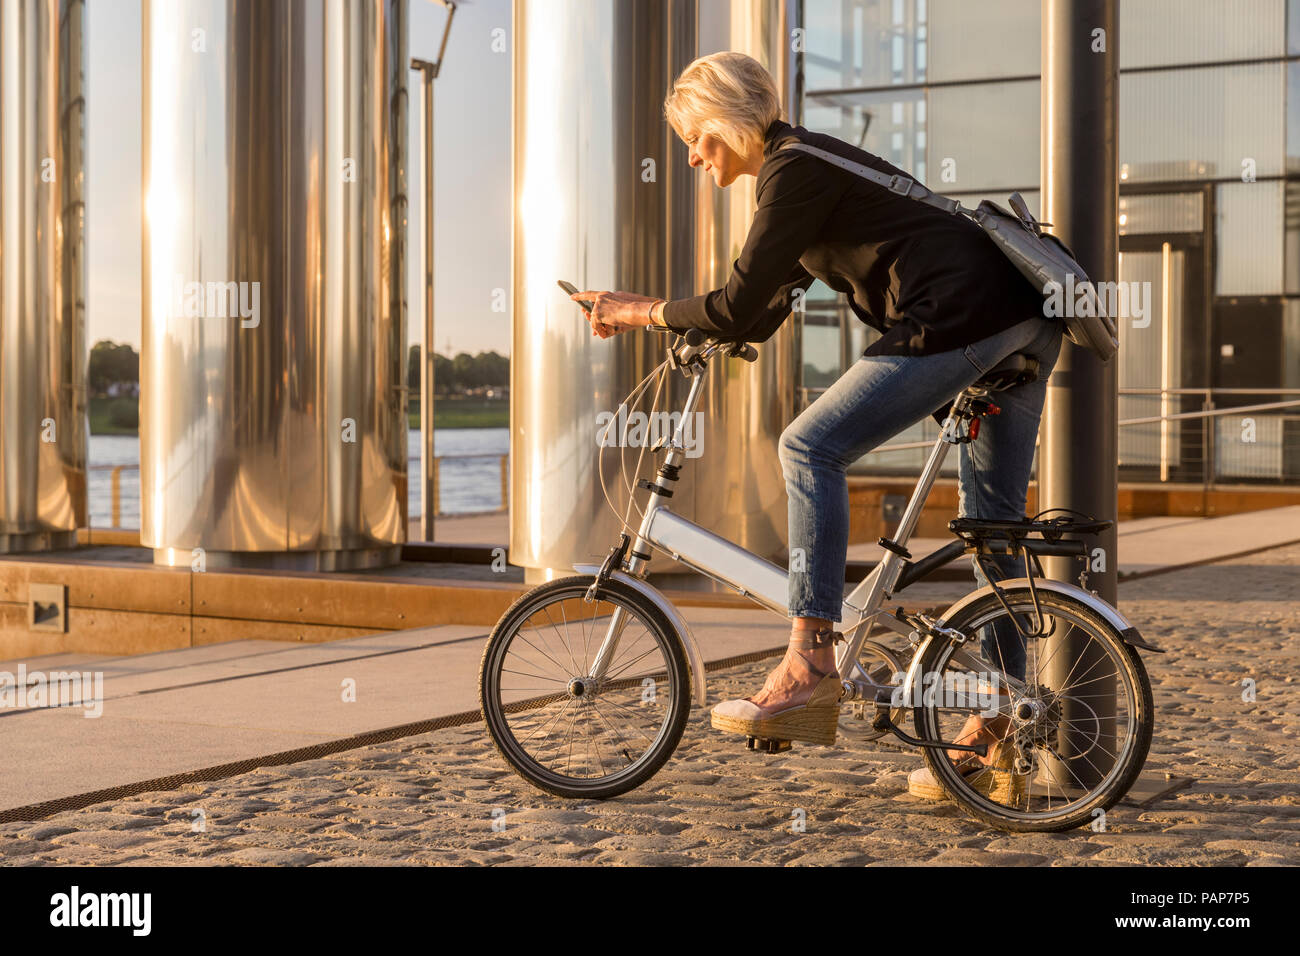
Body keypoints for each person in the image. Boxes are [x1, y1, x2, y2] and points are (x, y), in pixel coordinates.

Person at [569, 51, 1062, 799]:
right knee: (992, 529)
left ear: (728, 119)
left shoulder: (791, 171)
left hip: (960, 316)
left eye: (696, 139)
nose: (694, 158)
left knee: (808, 445)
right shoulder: (806, 172)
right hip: (1018, 322)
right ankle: (994, 731)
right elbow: (756, 315)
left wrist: (638, 312)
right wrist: (670, 318)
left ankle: (809, 661)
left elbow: (735, 306)